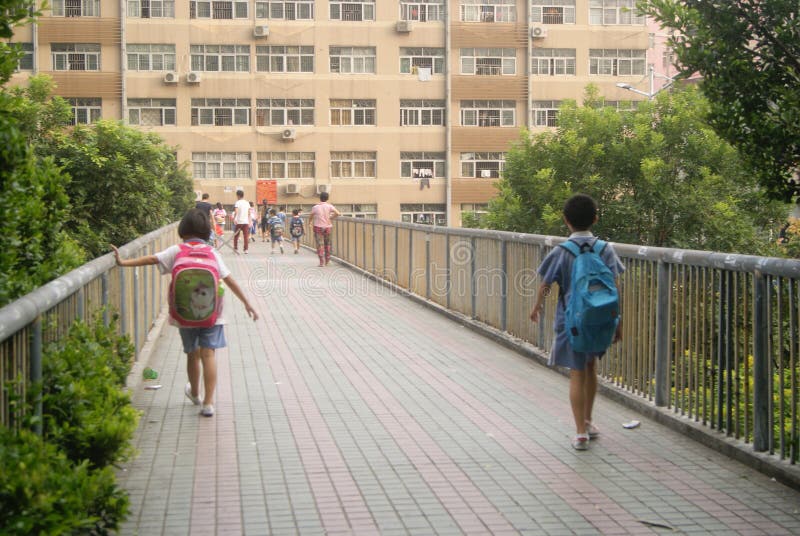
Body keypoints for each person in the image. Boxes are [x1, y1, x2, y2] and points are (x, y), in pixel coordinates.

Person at [111, 208, 258, 417]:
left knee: (192, 355)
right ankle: (208, 403)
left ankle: (195, 394)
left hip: (184, 315)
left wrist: (123, 262)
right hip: (212, 315)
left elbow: (152, 259)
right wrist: (247, 303)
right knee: (208, 354)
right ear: (207, 231)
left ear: (183, 229)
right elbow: (229, 279)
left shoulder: (176, 250)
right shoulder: (212, 253)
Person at [529, 194, 624, 451]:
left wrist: (538, 305)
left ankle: (580, 432)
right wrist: (618, 322)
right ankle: (589, 421)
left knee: (576, 373)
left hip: (570, 321)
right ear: (595, 218)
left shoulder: (562, 251)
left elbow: (546, 284)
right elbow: (614, 286)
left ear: (566, 221)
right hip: (601, 319)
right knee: (591, 367)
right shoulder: (606, 249)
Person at [309, 191, 340, 266]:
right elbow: (338, 213)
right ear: (327, 198)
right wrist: (330, 217)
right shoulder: (329, 206)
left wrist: (309, 222)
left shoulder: (315, 207)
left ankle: (321, 262)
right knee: (327, 244)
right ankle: (327, 261)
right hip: (327, 227)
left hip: (318, 228)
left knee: (320, 245)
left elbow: (311, 216)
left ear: (320, 198)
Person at [232, 189, 251, 254]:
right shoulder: (247, 202)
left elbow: (236, 211)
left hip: (239, 222)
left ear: (238, 195)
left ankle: (235, 248)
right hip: (245, 222)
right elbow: (249, 213)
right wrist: (249, 221)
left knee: (236, 236)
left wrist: (234, 219)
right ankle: (246, 250)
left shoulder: (237, 202)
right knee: (246, 236)